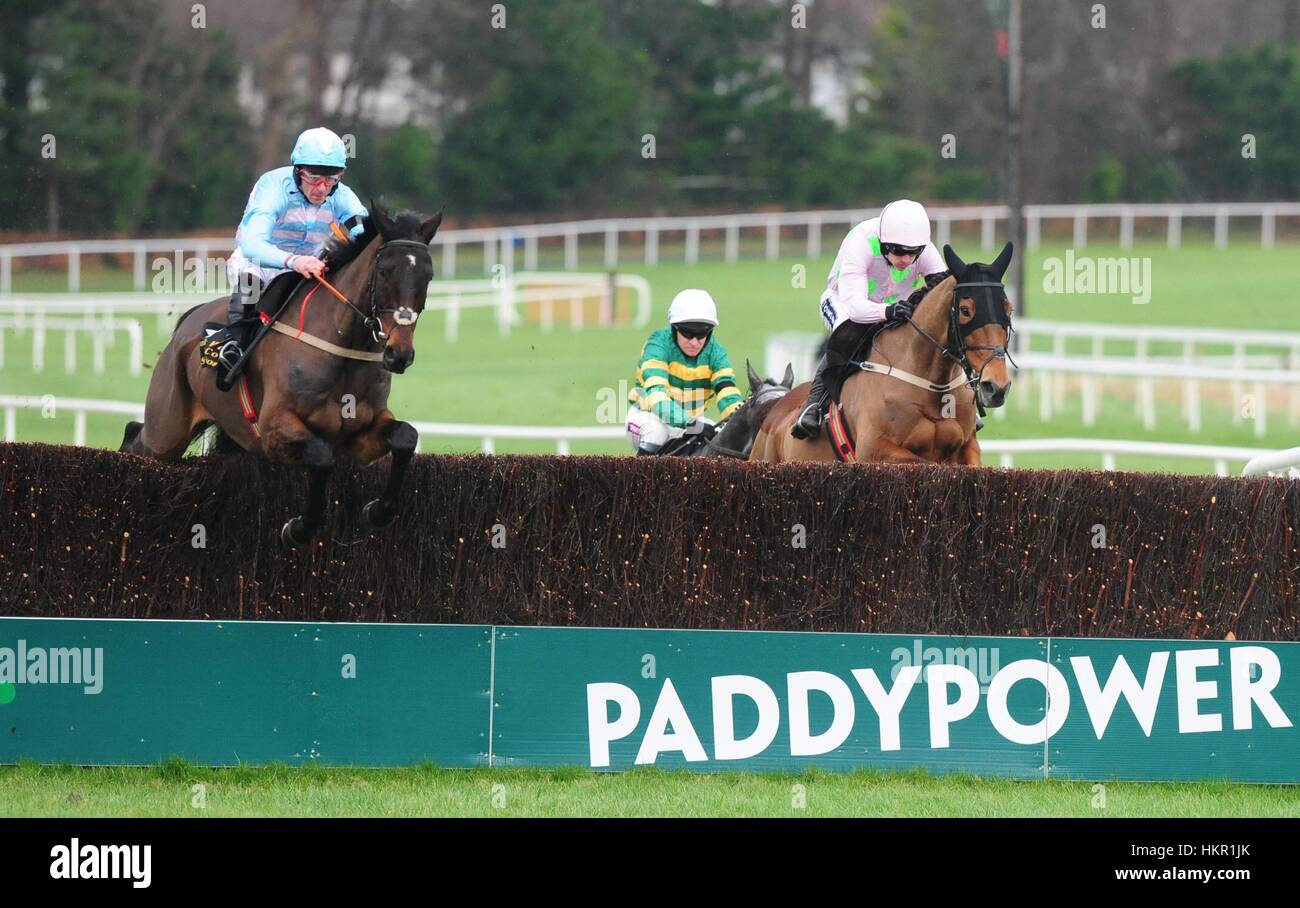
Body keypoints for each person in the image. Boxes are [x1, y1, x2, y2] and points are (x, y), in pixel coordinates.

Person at [216, 127, 369, 379]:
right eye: (314, 178)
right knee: (249, 281)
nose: (322, 188)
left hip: (312, 266)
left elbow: (365, 233)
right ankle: (234, 347)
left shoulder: (341, 194)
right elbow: (252, 244)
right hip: (261, 262)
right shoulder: (273, 186)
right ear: (298, 170)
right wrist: (293, 261)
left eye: (331, 179)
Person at [792, 199, 948, 440]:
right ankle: (813, 405)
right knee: (848, 334)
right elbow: (855, 308)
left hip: (898, 306)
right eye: (897, 251)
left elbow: (943, 289)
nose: (905, 259)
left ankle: (954, 400)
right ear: (884, 243)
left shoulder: (923, 246)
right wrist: (888, 312)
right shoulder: (861, 241)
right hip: (844, 302)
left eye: (913, 253)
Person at [626, 289, 745, 455]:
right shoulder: (657, 345)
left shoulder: (717, 353)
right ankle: (637, 480)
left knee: (723, 440)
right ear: (674, 328)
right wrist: (691, 424)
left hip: (689, 422)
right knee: (656, 432)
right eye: (687, 333)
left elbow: (728, 395)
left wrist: (744, 417)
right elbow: (656, 397)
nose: (695, 342)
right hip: (647, 417)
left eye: (702, 334)